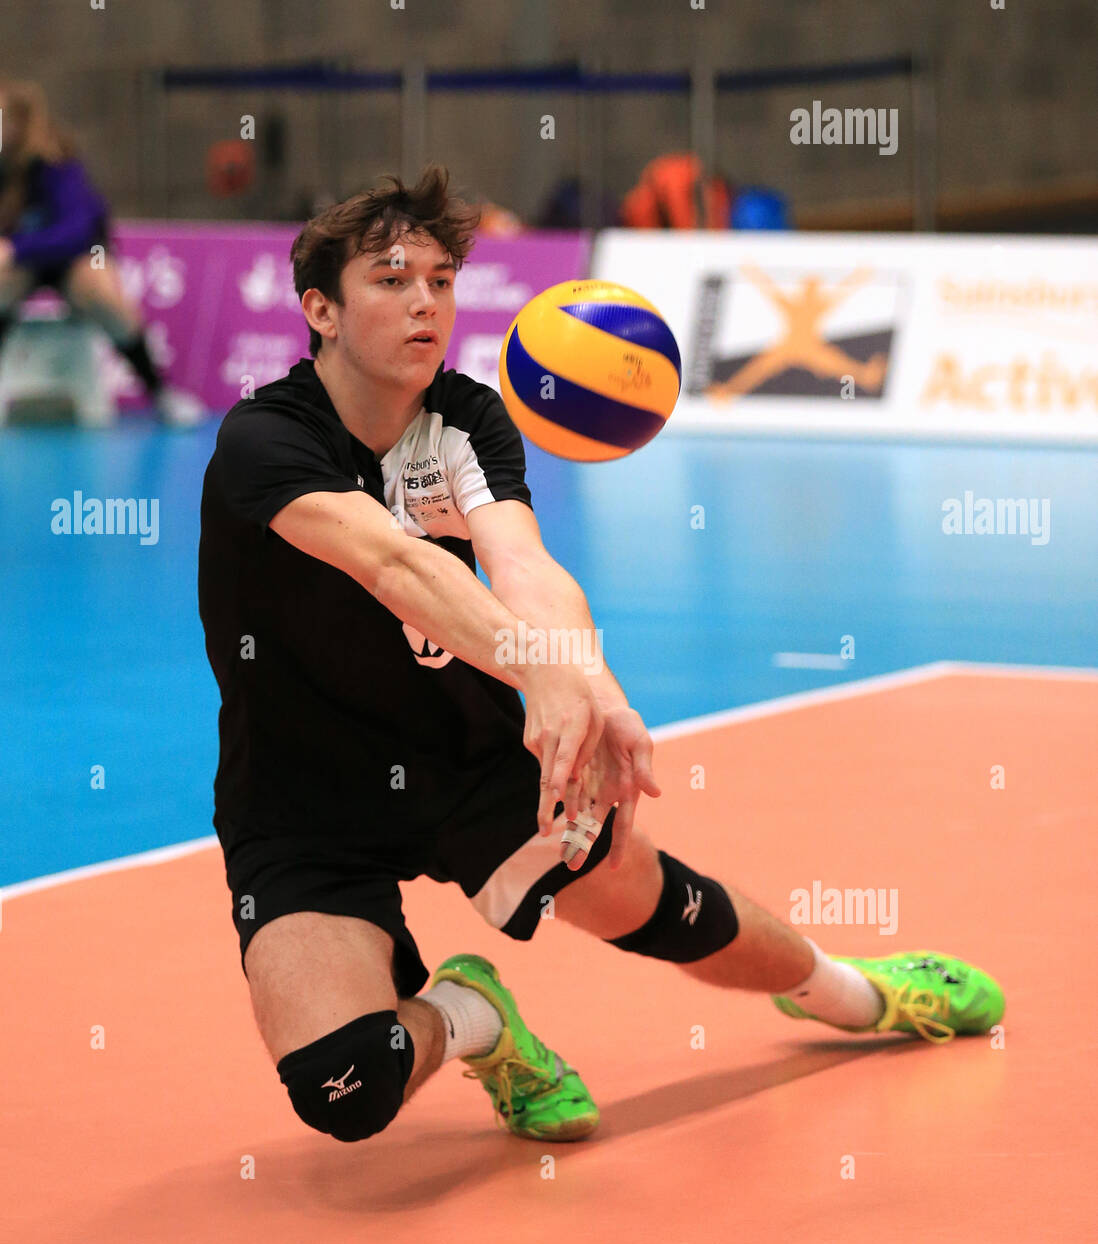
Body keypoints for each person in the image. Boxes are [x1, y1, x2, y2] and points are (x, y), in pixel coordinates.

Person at [197, 164, 1004, 1148]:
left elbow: (523, 564)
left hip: (470, 754)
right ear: (320, 308)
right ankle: (475, 1015)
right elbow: (395, 562)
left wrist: (595, 684)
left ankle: (854, 991)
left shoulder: (465, 420)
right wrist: (541, 672)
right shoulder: (263, 438)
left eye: (443, 281)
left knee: (658, 903)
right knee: (345, 1087)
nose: (426, 303)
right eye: (394, 279)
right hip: (301, 794)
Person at [0, 78, 203, 426]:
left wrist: (16, 247)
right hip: (22, 269)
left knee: (102, 292)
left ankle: (159, 392)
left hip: (74, 258)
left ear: (19, 121)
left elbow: (76, 231)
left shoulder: (57, 160)